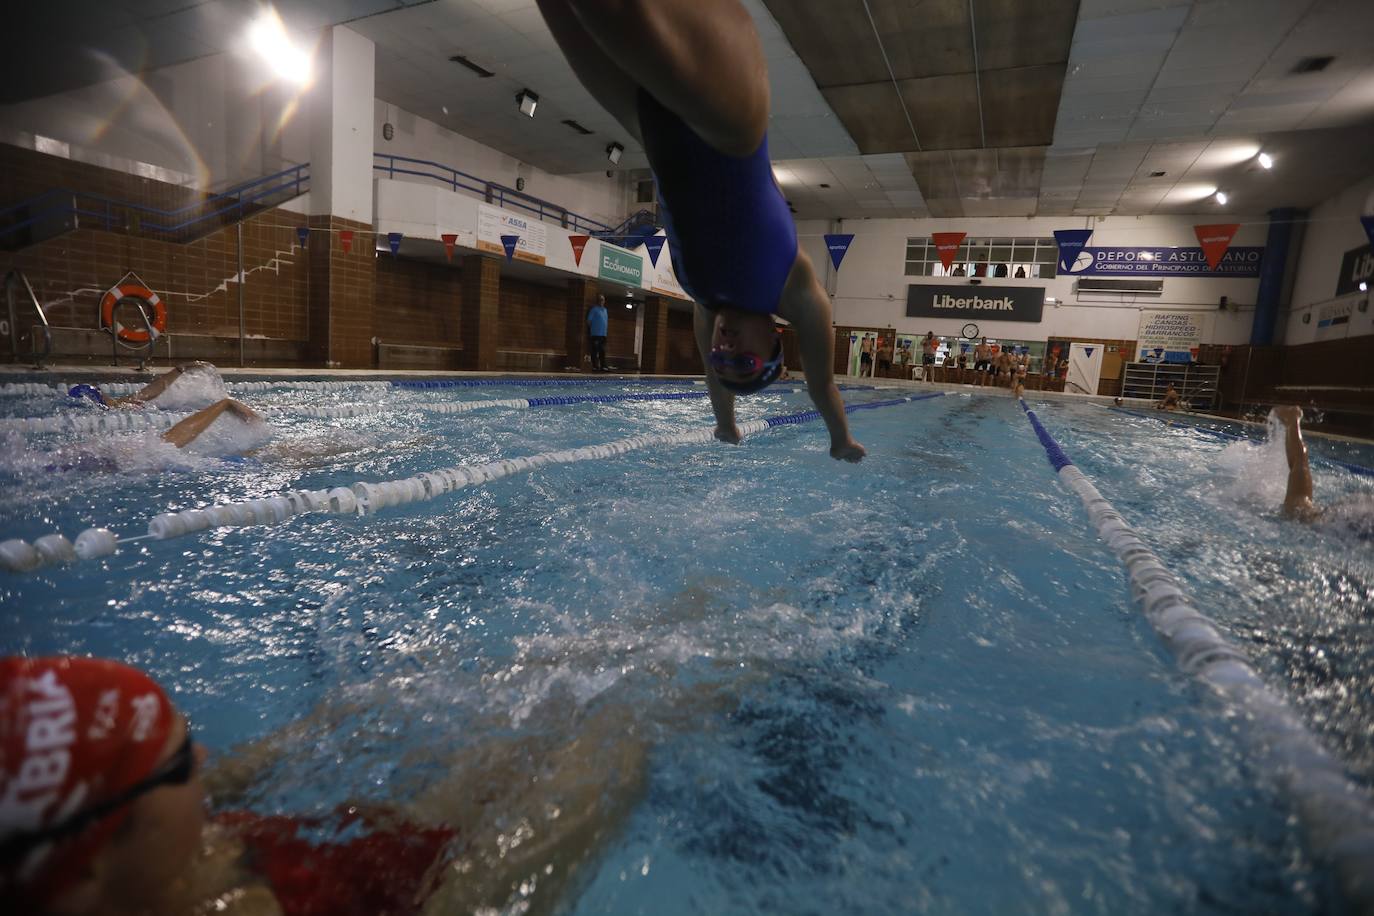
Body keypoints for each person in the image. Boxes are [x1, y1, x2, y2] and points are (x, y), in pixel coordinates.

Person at [0, 655, 651, 916]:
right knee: (621, 739)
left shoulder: (124, 861)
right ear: (86, 867)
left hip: (369, 852)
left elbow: (230, 775)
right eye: (178, 765)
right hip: (433, 894)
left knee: (559, 691)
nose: (204, 755)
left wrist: (330, 720)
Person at [534, 0, 863, 462]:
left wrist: (724, 424)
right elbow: (821, 380)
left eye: (720, 358)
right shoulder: (794, 290)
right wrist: (840, 439)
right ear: (774, 343)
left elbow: (714, 375)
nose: (724, 349)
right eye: (743, 360)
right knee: (612, 12)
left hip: (653, 130)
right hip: (732, 123)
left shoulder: (706, 303)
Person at [67, 362, 223, 409]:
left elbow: (151, 391)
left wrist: (181, 369)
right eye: (101, 392)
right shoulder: (122, 406)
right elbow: (152, 391)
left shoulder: (121, 404)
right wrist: (180, 369)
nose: (105, 393)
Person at [586, 295, 609, 372]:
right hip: (595, 334)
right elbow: (589, 321)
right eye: (600, 300)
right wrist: (593, 330)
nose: (602, 301)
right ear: (598, 301)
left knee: (602, 351)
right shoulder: (594, 310)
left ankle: (603, 366)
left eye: (603, 300)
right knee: (595, 350)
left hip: (603, 334)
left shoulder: (605, 310)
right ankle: (595, 366)